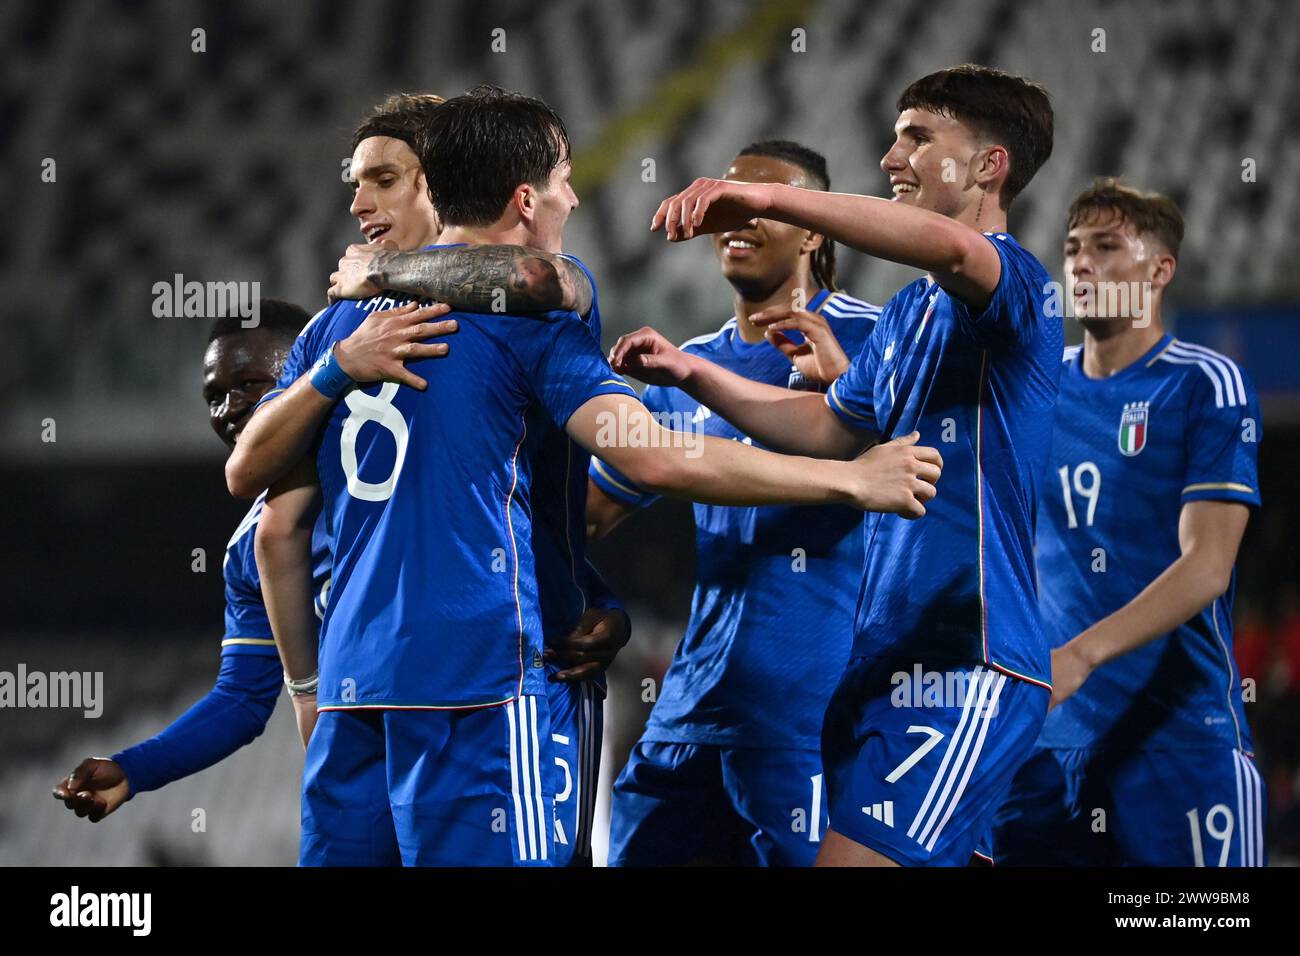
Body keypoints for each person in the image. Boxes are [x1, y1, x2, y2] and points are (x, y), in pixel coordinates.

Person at [268, 84, 943, 866]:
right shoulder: (552, 319)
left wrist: (587, 596)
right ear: (527, 198)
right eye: (562, 178)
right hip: (491, 680)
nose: (576, 194)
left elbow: (261, 489)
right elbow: (640, 461)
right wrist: (850, 478)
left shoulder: (340, 323)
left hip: (364, 677)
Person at [612, 64, 1059, 866]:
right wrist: (698, 376)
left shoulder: (1012, 281)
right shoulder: (911, 314)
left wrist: (766, 196)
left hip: (969, 657)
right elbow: (829, 427)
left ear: (989, 166)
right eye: (894, 135)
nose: (891, 157)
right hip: (886, 658)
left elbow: (955, 245)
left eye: (918, 137)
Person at [587, 140, 880, 865]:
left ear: (813, 228)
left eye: (755, 204)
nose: (734, 218)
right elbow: (593, 514)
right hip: (690, 710)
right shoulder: (685, 365)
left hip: (813, 711)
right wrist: (592, 607)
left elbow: (932, 494)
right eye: (724, 205)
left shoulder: (881, 341)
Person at [991, 180, 1265, 866]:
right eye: (1072, 249)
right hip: (1045, 746)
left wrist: (1080, 654)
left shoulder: (1204, 383)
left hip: (1178, 739)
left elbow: (1207, 565)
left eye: (1107, 247)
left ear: (1160, 268)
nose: (1081, 264)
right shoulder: (1033, 393)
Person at [51, 300, 329, 822]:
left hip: (459, 745)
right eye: (214, 396)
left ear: (313, 367)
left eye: (249, 383)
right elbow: (244, 697)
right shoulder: (250, 551)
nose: (227, 409)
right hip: (347, 786)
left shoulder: (395, 477)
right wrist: (134, 769)